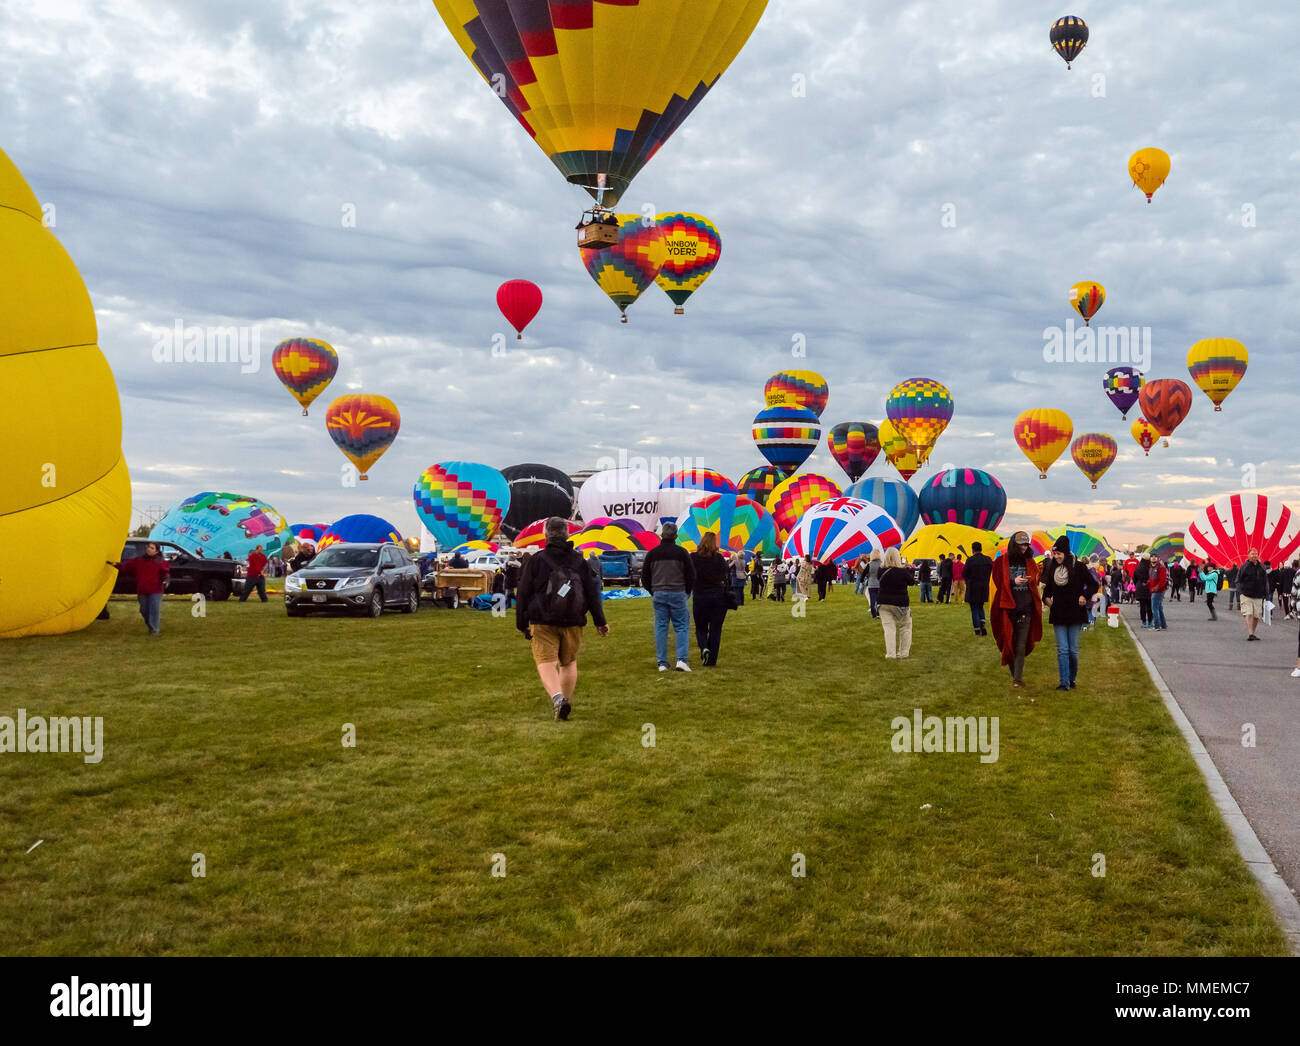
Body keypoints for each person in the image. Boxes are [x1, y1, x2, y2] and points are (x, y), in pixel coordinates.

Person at [515, 517, 609, 721]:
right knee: (568, 662)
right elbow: (592, 593)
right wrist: (599, 621)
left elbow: (522, 593)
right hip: (573, 619)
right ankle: (565, 701)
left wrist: (521, 623)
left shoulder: (536, 560)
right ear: (568, 533)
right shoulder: (579, 561)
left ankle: (559, 700)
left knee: (545, 662)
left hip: (542, 620)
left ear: (545, 534)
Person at [1041, 535, 1100, 691]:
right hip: (1058, 612)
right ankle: (1064, 682)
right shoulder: (1052, 567)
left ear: (1066, 553)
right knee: (1062, 649)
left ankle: (1071, 678)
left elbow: (1094, 585)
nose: (1057, 556)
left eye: (1059, 553)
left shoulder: (1079, 567)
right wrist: (1046, 599)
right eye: (1055, 554)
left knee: (1072, 650)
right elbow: (1047, 590)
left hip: (1075, 612)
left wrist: (1084, 596)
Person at [641, 522, 695, 671]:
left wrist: (653, 591)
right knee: (682, 626)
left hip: (659, 593)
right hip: (678, 592)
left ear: (661, 535)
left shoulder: (652, 553)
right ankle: (681, 660)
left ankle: (662, 663)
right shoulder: (682, 553)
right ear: (676, 536)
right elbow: (691, 574)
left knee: (661, 627)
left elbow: (644, 576)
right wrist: (687, 591)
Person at [991, 532, 1041, 689]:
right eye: (1021, 544)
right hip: (1008, 608)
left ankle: (1017, 680)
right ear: (1014, 544)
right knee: (1009, 643)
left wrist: (1032, 579)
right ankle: (1015, 675)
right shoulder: (1001, 562)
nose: (1024, 547)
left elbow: (1035, 578)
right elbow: (998, 580)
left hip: (1025, 608)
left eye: (1026, 544)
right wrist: (1014, 581)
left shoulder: (1030, 562)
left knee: (1020, 644)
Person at [108, 543, 169, 635]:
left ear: (156, 551)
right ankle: (150, 625)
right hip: (142, 589)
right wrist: (113, 564)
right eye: (148, 547)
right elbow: (125, 567)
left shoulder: (160, 562)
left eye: (152, 548)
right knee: (144, 610)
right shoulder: (139, 561)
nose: (149, 549)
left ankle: (155, 630)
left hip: (156, 590)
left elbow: (165, 573)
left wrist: (166, 581)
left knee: (154, 609)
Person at [689, 532, 730, 667]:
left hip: (700, 597)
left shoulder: (693, 558)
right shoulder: (719, 559)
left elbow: (688, 575)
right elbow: (726, 576)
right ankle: (712, 661)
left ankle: (704, 647)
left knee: (700, 628)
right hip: (717, 597)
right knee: (715, 630)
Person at [877, 548, 915, 659]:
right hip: (900, 603)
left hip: (883, 602)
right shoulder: (902, 572)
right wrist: (909, 570)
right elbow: (912, 582)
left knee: (889, 629)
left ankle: (890, 654)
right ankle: (903, 653)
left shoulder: (881, 571)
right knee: (905, 627)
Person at [1237, 548, 1269, 641]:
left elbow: (1265, 581)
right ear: (1248, 555)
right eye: (1252, 554)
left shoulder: (1262, 567)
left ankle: (1253, 633)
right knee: (1249, 613)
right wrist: (1240, 591)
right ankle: (1250, 633)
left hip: (1258, 595)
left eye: (1256, 553)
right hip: (1246, 594)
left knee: (1256, 617)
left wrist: (1266, 593)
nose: (1254, 555)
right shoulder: (1244, 567)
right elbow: (1238, 580)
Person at [963, 541, 993, 636]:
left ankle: (977, 629)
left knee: (974, 608)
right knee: (980, 606)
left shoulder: (970, 560)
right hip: (984, 587)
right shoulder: (988, 560)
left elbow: (964, 573)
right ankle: (982, 625)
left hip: (973, 587)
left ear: (972, 549)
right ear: (981, 549)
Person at [1149, 555, 1169, 630]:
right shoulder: (1151, 567)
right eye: (1152, 556)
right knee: (1159, 608)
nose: (1153, 557)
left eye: (1155, 557)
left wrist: (1156, 587)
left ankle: (1156, 625)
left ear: (1157, 559)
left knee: (1154, 608)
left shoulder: (1161, 568)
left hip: (1159, 590)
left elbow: (1163, 580)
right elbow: (1151, 579)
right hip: (1153, 590)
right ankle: (1163, 625)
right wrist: (1147, 583)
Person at [1134, 554, 1152, 628]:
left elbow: (1134, 578)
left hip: (1140, 588)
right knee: (1149, 606)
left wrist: (1138, 584)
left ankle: (1143, 621)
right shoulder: (1150, 567)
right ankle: (1150, 622)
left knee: (1142, 606)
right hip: (1149, 588)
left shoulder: (1138, 567)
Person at [866, 549, 883, 618]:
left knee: (872, 600)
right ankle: (878, 613)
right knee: (879, 600)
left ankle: (874, 615)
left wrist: (862, 580)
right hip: (880, 584)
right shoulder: (882, 564)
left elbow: (864, 573)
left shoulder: (869, 564)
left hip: (871, 584)